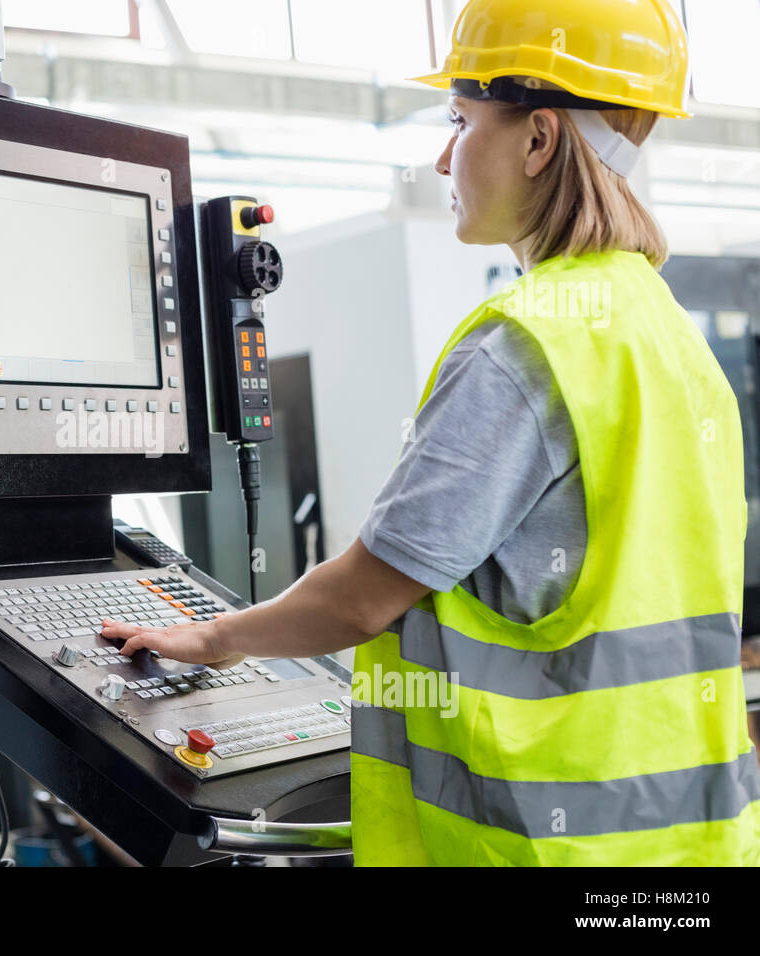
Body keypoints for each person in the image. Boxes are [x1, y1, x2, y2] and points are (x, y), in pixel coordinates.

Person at [101, 0, 760, 865]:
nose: (445, 155)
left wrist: (213, 636)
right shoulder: (674, 341)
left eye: (461, 120)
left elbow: (365, 595)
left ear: (539, 141)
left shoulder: (527, 343)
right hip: (687, 850)